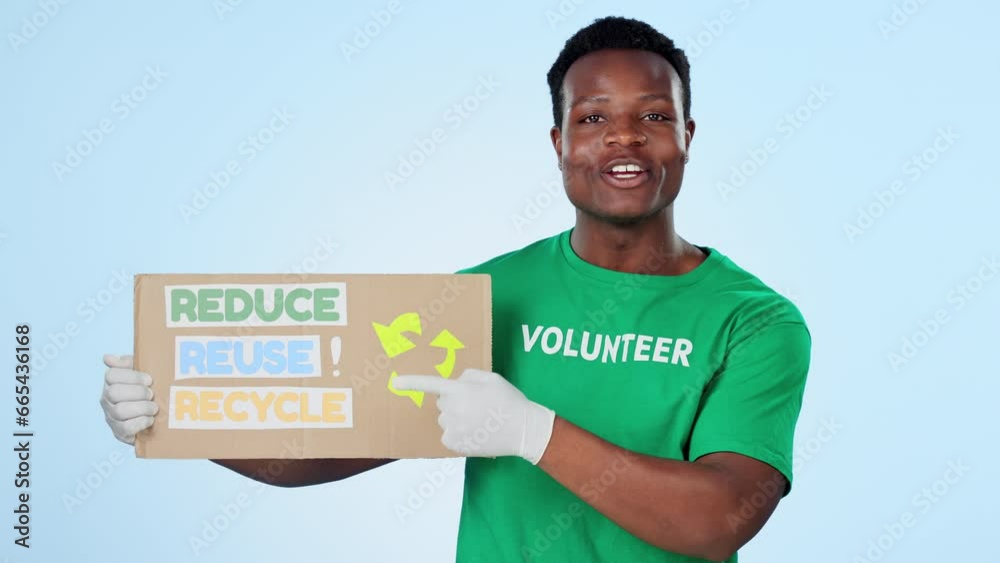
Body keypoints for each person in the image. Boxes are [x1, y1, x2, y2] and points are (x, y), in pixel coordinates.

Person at [100, 16, 810, 562]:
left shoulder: (754, 322)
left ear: (687, 134)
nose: (623, 138)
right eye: (592, 118)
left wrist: (532, 433)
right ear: (558, 143)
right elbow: (318, 448)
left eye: (653, 116)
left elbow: (718, 519)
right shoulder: (483, 296)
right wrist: (182, 409)